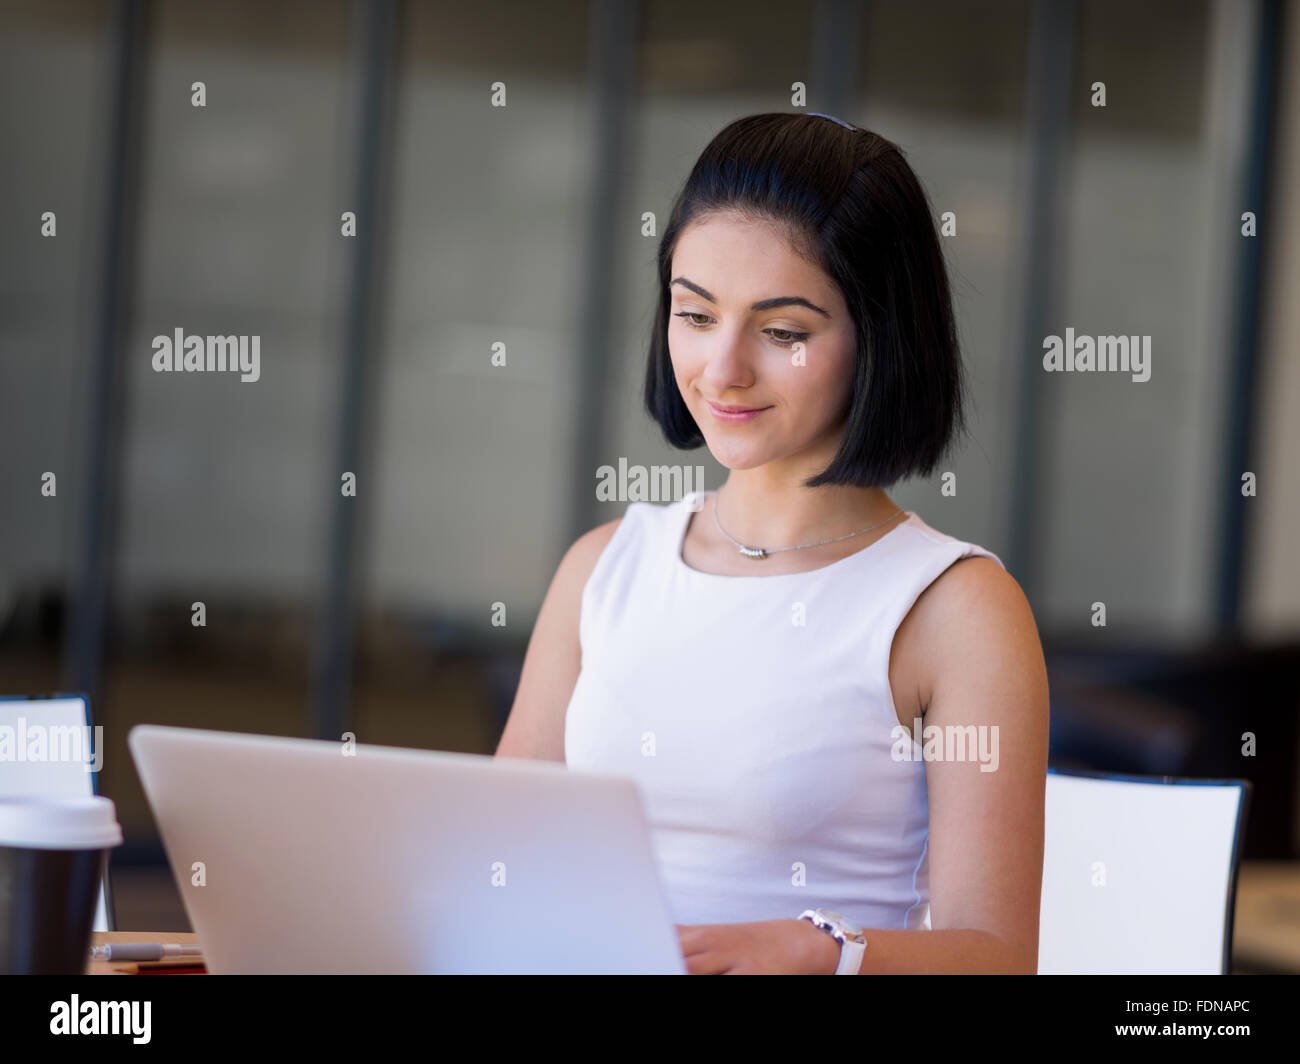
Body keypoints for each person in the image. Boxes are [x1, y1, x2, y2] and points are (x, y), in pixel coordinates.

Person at [496, 112, 1049, 974]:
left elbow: (1001, 957)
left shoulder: (956, 608)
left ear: (880, 340)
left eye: (783, 331)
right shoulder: (604, 565)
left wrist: (827, 954)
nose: (722, 368)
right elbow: (492, 861)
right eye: (695, 314)